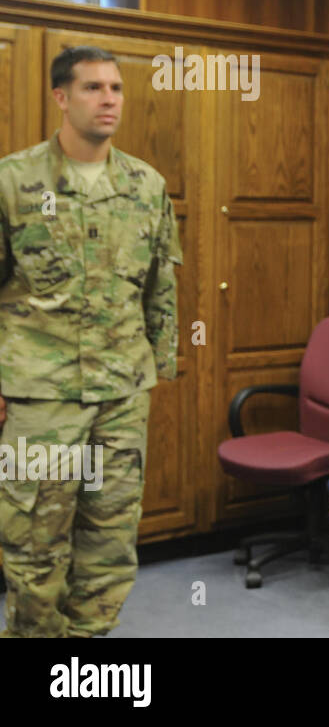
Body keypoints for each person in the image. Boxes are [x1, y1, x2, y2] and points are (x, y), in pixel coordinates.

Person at [0, 46, 180, 637]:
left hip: (122, 396)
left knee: (108, 547)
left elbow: (160, 288)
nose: (109, 100)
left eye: (116, 89)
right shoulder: (14, 182)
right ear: (61, 97)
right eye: (93, 88)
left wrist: (160, 368)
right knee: (33, 547)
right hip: (39, 397)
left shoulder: (145, 186)